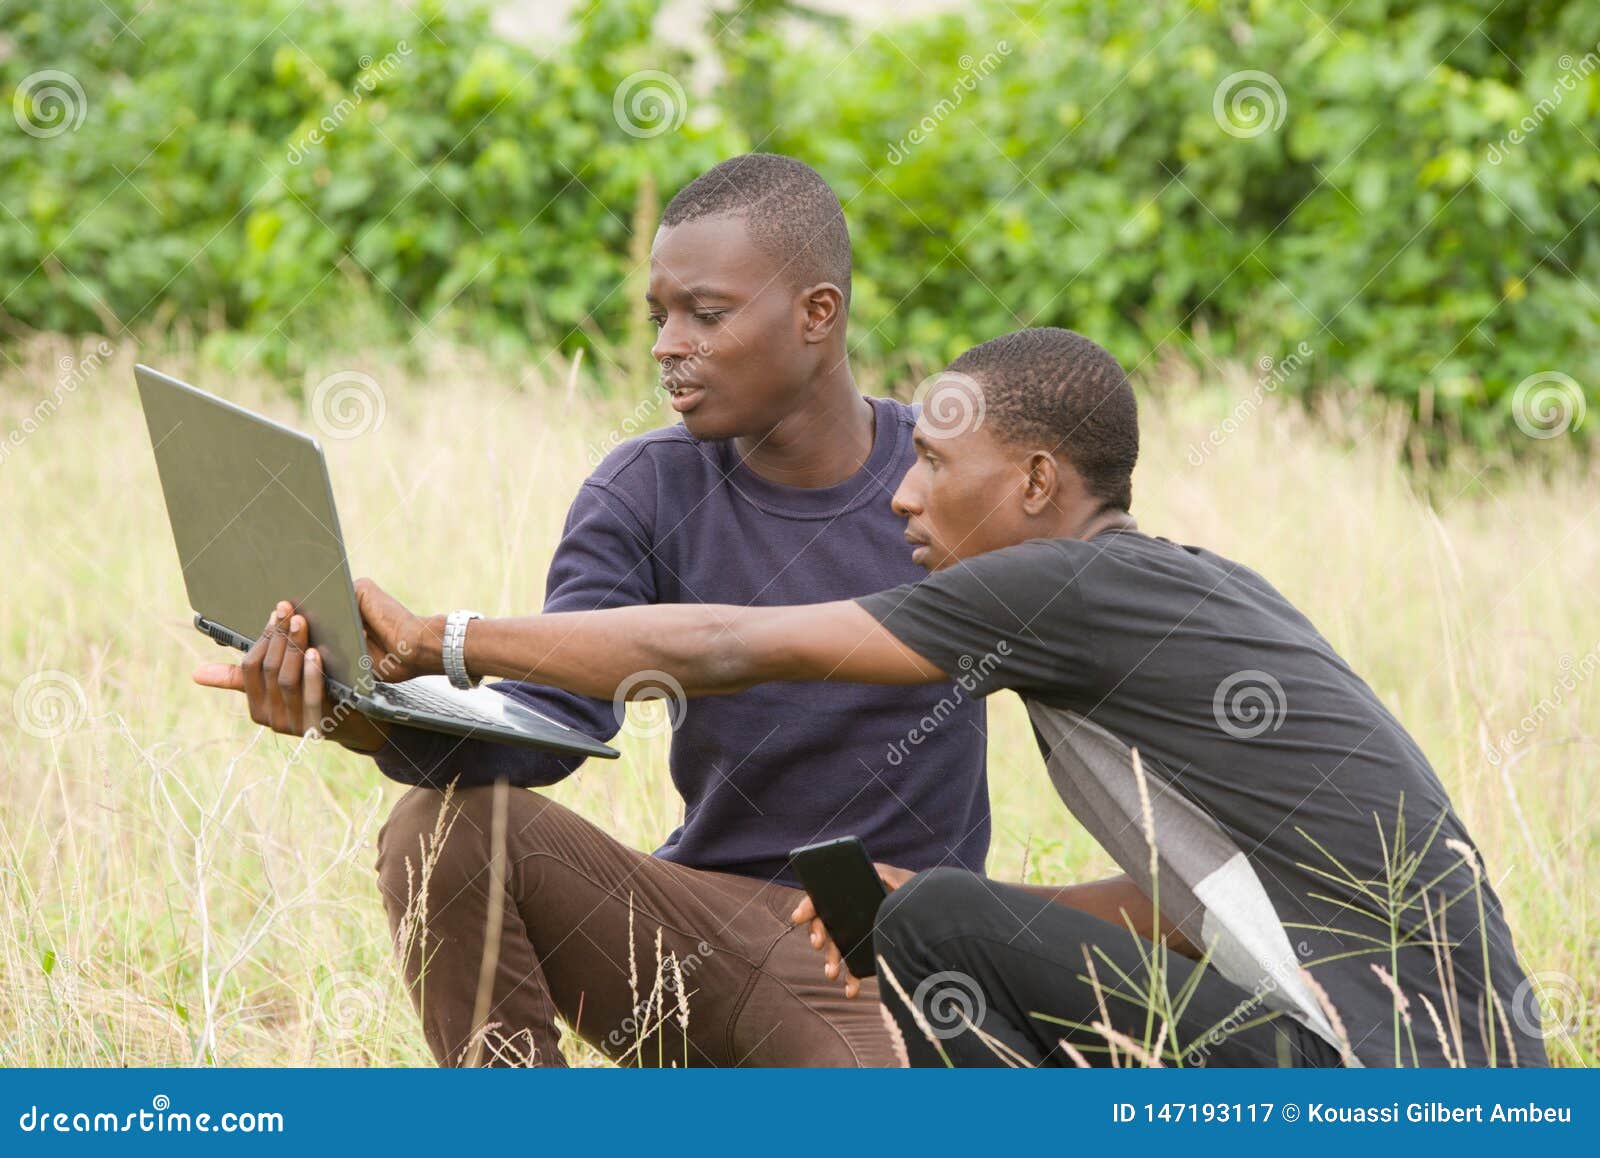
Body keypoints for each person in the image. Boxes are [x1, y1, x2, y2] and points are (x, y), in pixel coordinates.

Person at [310, 326, 1547, 1068]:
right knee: (945, 915)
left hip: (1388, 1072)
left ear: (1035, 481)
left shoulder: (1063, 588)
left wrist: (445, 637)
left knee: (936, 928)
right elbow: (1194, 904)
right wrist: (971, 907)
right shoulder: (1162, 594)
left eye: (937, 465)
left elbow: (736, 644)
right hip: (1419, 1057)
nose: (902, 497)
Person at [195, 154, 993, 1068]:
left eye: (707, 312)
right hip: (700, 939)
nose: (665, 344)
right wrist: (356, 717)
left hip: (881, 961)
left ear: (818, 314)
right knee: (443, 827)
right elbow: (549, 729)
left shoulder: (948, 485)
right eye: (659, 316)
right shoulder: (643, 488)